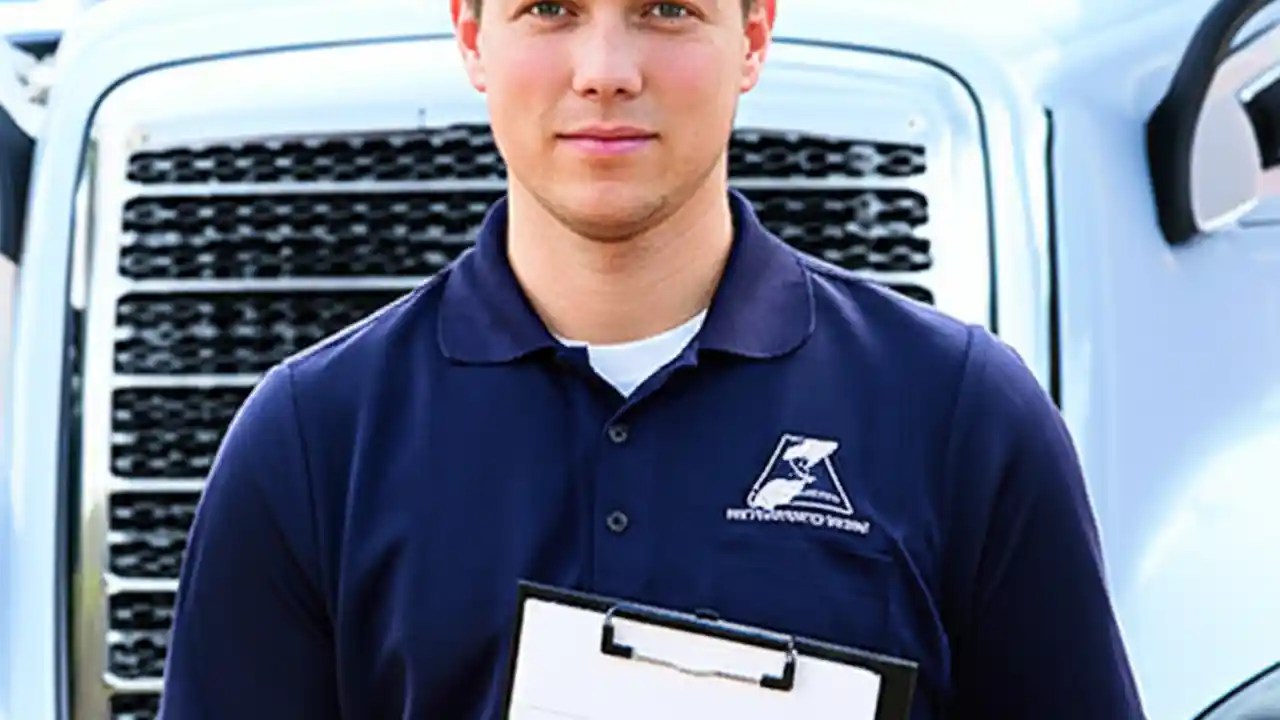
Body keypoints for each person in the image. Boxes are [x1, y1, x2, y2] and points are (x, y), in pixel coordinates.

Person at [158, 0, 1148, 718]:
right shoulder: (312, 439)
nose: (603, 68)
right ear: (470, 34)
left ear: (752, 35)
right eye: (549, 9)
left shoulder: (960, 414)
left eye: (664, 10)